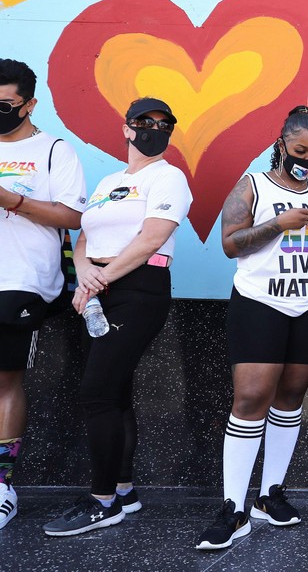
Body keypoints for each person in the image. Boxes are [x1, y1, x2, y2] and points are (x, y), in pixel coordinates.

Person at [196, 106, 308, 550]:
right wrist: (279, 223)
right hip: (261, 303)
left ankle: (269, 494)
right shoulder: (252, 186)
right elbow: (229, 244)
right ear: (281, 145)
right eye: (301, 150)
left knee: (290, 397)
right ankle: (232, 507)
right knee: (251, 397)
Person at [43, 97, 192, 537]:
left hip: (139, 289)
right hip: (101, 287)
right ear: (127, 129)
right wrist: (85, 272)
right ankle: (124, 492)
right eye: (145, 122)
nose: (154, 129)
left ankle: (102, 500)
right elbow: (85, 232)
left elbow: (151, 239)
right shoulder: (110, 180)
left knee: (96, 394)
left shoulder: (170, 178)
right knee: (115, 392)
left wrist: (98, 278)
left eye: (164, 124)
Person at [0, 59, 87, 529]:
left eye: (5, 105)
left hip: (22, 280)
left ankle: (2, 485)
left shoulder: (54, 151)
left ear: (29, 104)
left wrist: (9, 198)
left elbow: (73, 218)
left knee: (4, 381)